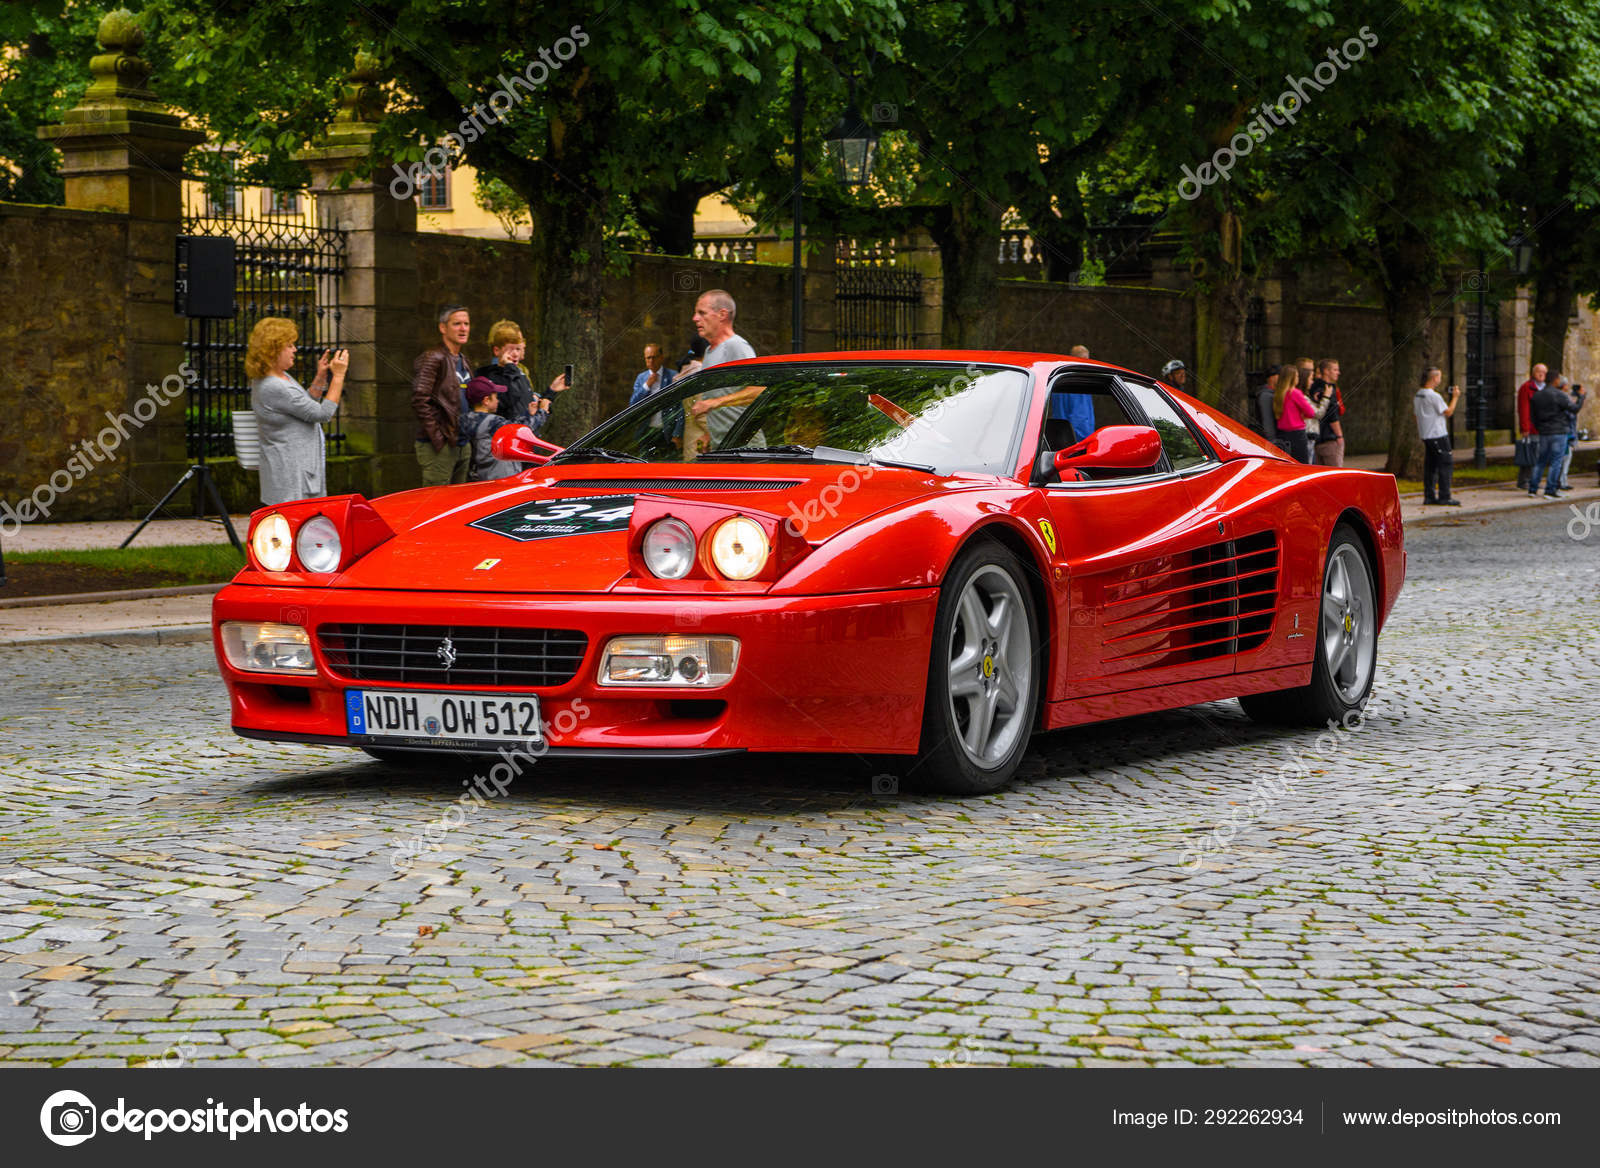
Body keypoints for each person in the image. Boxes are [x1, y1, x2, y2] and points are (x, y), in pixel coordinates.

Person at [245, 316, 348, 506]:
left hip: (295, 469)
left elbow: (304, 408)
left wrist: (320, 377)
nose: (295, 349)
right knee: (298, 521)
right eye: (289, 345)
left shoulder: (278, 377)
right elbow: (322, 414)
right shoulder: (275, 386)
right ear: (274, 349)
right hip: (291, 475)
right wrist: (339, 376)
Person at [686, 289, 758, 448]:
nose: (695, 318)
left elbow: (758, 391)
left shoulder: (736, 346)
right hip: (722, 446)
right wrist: (709, 435)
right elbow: (722, 396)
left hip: (746, 448)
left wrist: (713, 403)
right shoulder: (709, 351)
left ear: (722, 315)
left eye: (702, 313)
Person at [413, 304, 474, 485]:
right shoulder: (433, 357)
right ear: (443, 327)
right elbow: (420, 399)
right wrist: (438, 438)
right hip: (440, 446)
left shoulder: (464, 360)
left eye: (466, 324)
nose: (463, 328)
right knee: (436, 498)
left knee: (459, 499)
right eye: (457, 324)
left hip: (462, 444)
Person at [474, 320, 564, 435]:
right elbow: (510, 401)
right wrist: (511, 368)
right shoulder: (489, 376)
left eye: (518, 349)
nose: (516, 354)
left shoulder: (519, 373)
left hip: (527, 436)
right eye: (510, 349)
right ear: (496, 350)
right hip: (507, 438)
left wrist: (551, 391)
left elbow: (527, 404)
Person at [1413, 366, 1460, 506]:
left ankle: (1429, 495)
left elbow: (1415, 415)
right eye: (1439, 376)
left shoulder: (1418, 395)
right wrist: (1455, 397)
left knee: (1431, 466)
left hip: (1426, 435)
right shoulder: (1434, 396)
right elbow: (1448, 411)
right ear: (1434, 378)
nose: (1440, 379)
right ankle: (1445, 496)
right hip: (1438, 435)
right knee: (1445, 464)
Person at [459, 376, 521, 482]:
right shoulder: (493, 422)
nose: (498, 401)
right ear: (486, 400)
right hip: (501, 480)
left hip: (479, 478)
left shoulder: (464, 420)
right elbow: (521, 429)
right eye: (496, 397)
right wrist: (541, 411)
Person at [1528, 372, 1579, 499]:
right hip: (1558, 431)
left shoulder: (1537, 395)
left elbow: (1533, 416)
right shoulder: (1559, 395)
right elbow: (1574, 409)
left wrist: (1539, 428)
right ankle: (1550, 489)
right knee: (1556, 461)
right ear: (1555, 380)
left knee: (1540, 461)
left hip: (1544, 432)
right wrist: (1581, 397)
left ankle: (1533, 489)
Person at [1272, 364, 1326, 464]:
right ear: (1292, 378)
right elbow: (1311, 413)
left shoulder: (1278, 393)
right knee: (1302, 464)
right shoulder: (1295, 393)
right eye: (1296, 376)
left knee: (1288, 464)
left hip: (1282, 434)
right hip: (1297, 434)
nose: (1298, 378)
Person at [1515, 362, 1548, 490]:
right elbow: (1523, 409)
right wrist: (1525, 427)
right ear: (1533, 373)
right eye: (1539, 372)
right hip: (1532, 428)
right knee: (1530, 454)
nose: (1541, 374)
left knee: (1538, 455)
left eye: (1544, 372)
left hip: (1544, 427)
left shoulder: (1546, 388)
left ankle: (1531, 480)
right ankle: (1526, 480)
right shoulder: (1526, 387)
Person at [1309, 358, 1346, 467]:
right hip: (1329, 439)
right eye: (1335, 370)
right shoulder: (1329, 389)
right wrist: (1339, 436)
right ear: (1326, 371)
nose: (1338, 373)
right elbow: (1332, 415)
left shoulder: (1312, 388)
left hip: (1315, 439)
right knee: (1336, 473)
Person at [1558, 379, 1586, 491]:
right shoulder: (1562, 397)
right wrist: (1581, 397)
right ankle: (1561, 481)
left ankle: (1563, 480)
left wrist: (1580, 396)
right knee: (1565, 457)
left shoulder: (1565, 396)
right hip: (1566, 431)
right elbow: (1572, 412)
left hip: (1567, 431)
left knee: (1566, 457)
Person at [1254, 364, 1285, 451]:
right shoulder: (1266, 396)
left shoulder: (1272, 394)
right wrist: (1273, 444)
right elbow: (1267, 422)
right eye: (1281, 376)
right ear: (1273, 377)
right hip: (1271, 444)